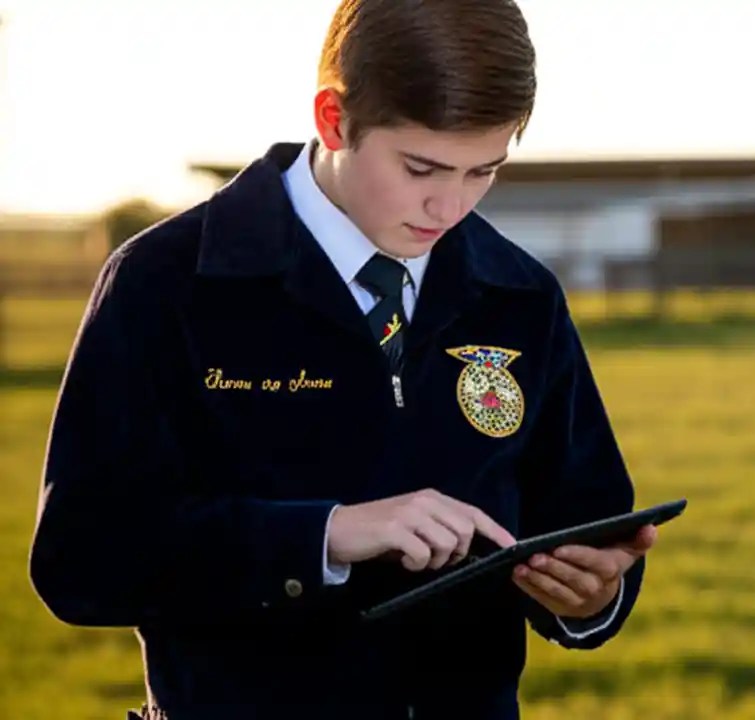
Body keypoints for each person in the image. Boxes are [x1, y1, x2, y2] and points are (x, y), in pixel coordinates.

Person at [27, 1, 656, 718]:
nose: (450, 206)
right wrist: (324, 535)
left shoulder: (519, 295)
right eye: (422, 167)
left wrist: (595, 594)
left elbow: (588, 514)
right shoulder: (167, 282)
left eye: (484, 170)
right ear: (333, 118)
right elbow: (81, 559)